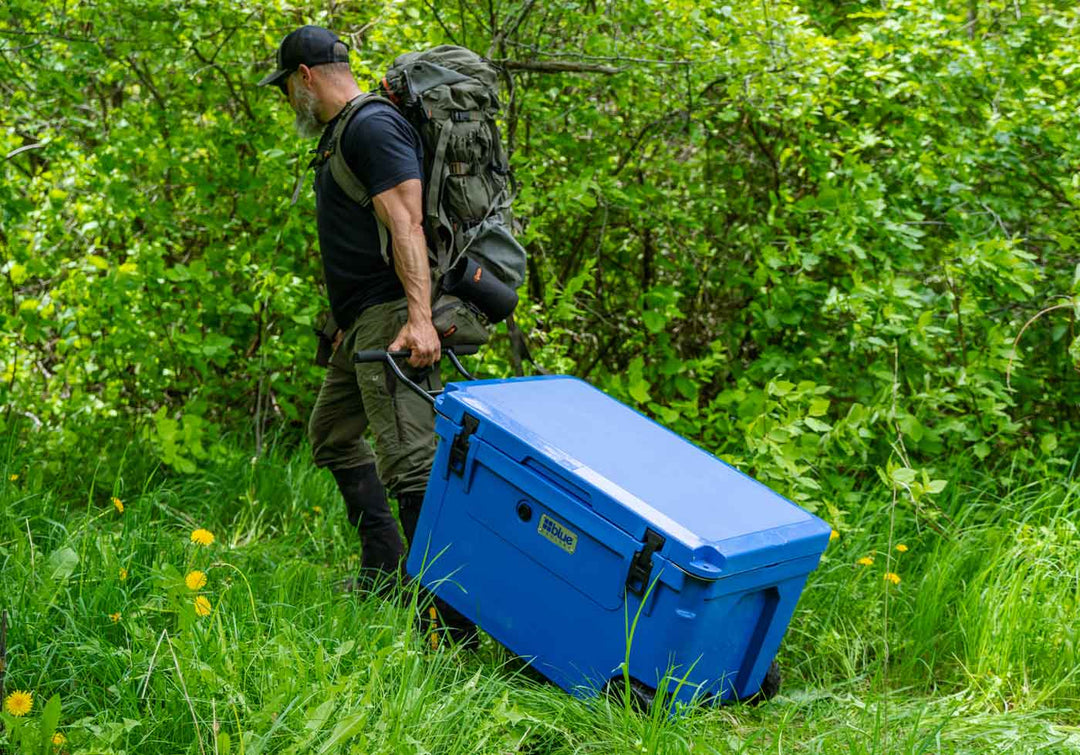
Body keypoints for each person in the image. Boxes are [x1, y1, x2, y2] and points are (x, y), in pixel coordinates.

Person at [258, 26, 473, 641]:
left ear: (304, 77)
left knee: (411, 464)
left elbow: (406, 224)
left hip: (394, 317)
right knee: (331, 435)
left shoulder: (371, 126)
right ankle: (384, 571)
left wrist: (419, 318)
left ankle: (449, 623)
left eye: (284, 88)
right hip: (361, 323)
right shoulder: (340, 134)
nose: (287, 101)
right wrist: (343, 324)